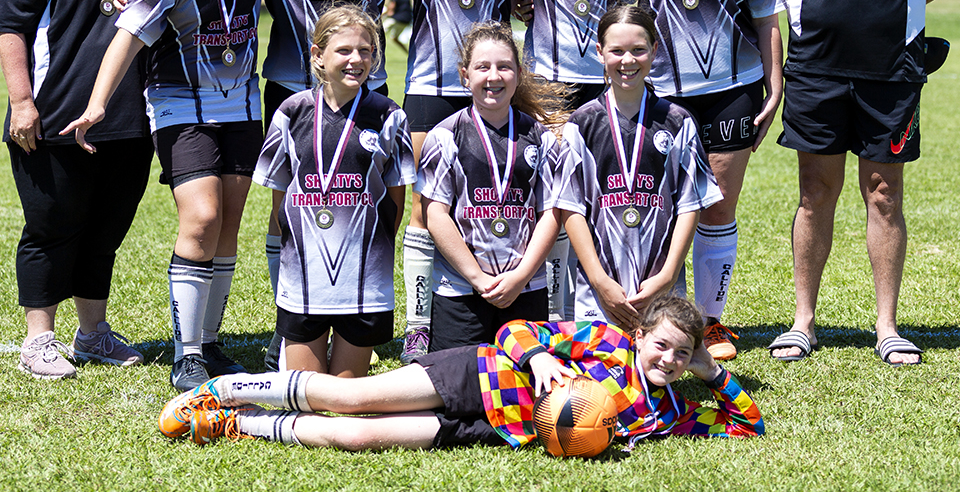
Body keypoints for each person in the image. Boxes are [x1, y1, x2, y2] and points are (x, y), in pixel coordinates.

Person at [392, 0, 756, 325]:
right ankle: (532, 319)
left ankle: (618, 310)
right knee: (555, 203)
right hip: (550, 82)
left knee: (598, 201)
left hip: (608, 81)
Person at [767, 0, 960, 365]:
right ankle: (803, 322)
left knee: (884, 194)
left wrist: (902, 6)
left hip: (892, 70)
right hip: (816, 68)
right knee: (815, 192)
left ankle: (887, 327)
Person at [62, 0, 272, 389]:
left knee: (228, 225)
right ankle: (187, 354)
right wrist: (96, 104)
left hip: (243, 106)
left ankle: (211, 344)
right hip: (182, 107)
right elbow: (128, 35)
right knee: (201, 218)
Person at [158, 294, 763, 449]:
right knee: (353, 398)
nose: (669, 360)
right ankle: (224, 388)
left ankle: (236, 423)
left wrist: (712, 374)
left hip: (502, 430)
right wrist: (539, 357)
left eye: (681, 355)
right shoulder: (605, 342)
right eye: (662, 346)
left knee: (359, 436)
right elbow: (515, 331)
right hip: (481, 375)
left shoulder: (669, 412)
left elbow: (746, 426)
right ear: (640, 336)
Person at [240, 0, 406, 368]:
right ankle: (287, 320)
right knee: (291, 206)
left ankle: (354, 307)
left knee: (363, 201)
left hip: (365, 91)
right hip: (294, 89)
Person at [0, 0, 157, 379]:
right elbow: (10, 27)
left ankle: (92, 334)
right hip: (53, 113)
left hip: (128, 116)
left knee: (105, 231)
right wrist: (22, 102)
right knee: (51, 225)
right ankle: (38, 340)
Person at [630, 0, 785, 360]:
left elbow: (766, 12)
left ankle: (711, 323)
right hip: (662, 91)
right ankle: (658, 321)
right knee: (659, 210)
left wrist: (775, 83)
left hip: (732, 88)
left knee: (717, 208)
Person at [396, 0, 528, 364]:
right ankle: (418, 324)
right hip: (430, 77)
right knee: (426, 205)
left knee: (500, 192)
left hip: (492, 77)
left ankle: (515, 301)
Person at [252, 5, 415, 376]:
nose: (356, 59)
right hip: (304, 278)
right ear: (318, 55)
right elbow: (281, 202)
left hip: (364, 281)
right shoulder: (291, 112)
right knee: (307, 394)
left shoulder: (390, 116)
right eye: (344, 50)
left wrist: (372, 251)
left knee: (344, 397)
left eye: (365, 51)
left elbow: (395, 201)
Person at [558, 3, 722, 331]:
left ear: (654, 50)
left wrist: (668, 274)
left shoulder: (677, 121)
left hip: (661, 288)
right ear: (599, 52)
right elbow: (570, 208)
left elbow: (690, 205)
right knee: (604, 363)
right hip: (598, 292)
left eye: (638, 50)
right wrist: (599, 280)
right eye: (617, 51)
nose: (628, 60)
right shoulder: (581, 123)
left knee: (659, 360)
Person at [418, 21, 566, 351]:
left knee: (523, 381)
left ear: (519, 74)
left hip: (525, 287)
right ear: (464, 75)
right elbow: (436, 215)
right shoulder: (444, 136)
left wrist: (521, 276)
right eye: (482, 67)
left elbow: (551, 214)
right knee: (460, 383)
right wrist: (477, 278)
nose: (494, 76)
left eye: (504, 67)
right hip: (460, 288)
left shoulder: (541, 138)